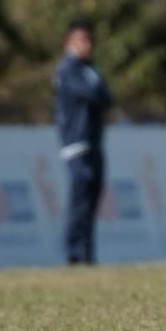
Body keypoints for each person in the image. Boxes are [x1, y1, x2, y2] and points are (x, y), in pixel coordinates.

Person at [53, 17, 113, 265]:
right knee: (79, 202)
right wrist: (97, 91)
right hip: (77, 144)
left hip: (95, 143)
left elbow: (107, 97)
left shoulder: (91, 69)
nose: (87, 45)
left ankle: (88, 255)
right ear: (70, 42)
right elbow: (92, 94)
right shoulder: (68, 70)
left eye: (90, 40)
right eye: (82, 39)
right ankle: (74, 254)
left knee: (91, 202)